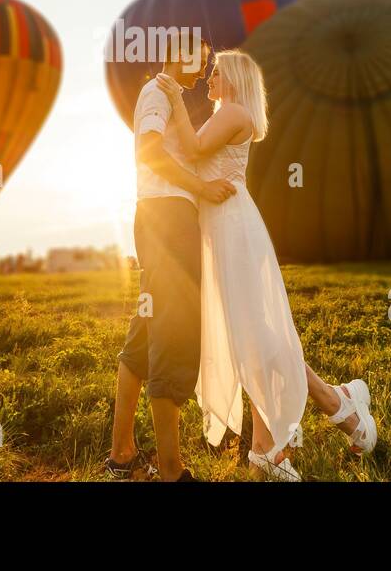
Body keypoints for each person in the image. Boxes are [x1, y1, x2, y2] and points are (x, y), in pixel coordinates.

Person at [148, 49, 378, 482]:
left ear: (234, 78)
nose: (209, 79)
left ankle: (337, 405)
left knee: (260, 334)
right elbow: (190, 152)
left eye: (216, 73)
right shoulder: (225, 113)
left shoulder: (234, 113)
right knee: (249, 337)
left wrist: (174, 98)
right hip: (219, 228)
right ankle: (277, 440)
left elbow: (195, 148)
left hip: (234, 229)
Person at [105, 36, 238, 483]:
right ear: (176, 56)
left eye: (206, 65)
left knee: (144, 335)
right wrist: (200, 190)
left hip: (160, 216)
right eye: (199, 62)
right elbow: (151, 153)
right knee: (174, 334)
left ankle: (122, 454)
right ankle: (171, 470)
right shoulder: (156, 93)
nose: (203, 72)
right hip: (168, 218)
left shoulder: (169, 96)